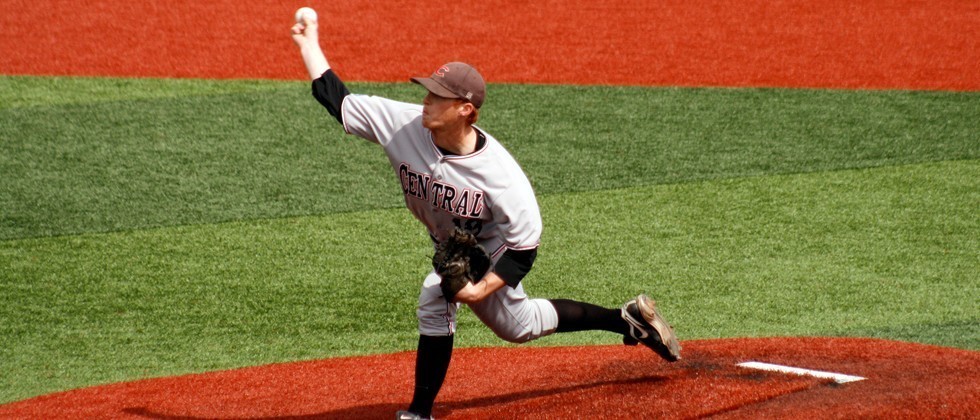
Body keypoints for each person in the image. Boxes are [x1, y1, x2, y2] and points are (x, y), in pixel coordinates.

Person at [290, 11, 681, 420]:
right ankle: (627, 320)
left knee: (436, 296)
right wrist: (308, 43)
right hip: (451, 241)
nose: (425, 100)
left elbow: (523, 249)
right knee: (519, 325)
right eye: (428, 91)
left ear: (465, 110)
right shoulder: (403, 124)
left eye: (437, 96)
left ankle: (419, 413)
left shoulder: (502, 177)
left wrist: (479, 290)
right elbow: (339, 101)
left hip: (492, 248)